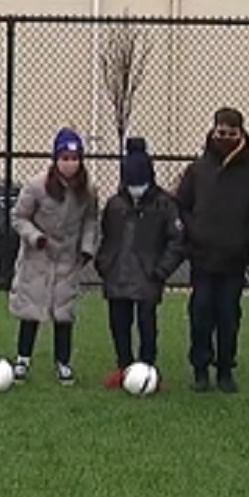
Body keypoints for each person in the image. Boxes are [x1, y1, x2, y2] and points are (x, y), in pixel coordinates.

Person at [175, 107, 249, 393]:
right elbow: (181, 204)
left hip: (234, 259)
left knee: (229, 315)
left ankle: (225, 369)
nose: (225, 137)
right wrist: (194, 231)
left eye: (231, 133)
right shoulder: (197, 170)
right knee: (200, 312)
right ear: (213, 131)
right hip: (202, 258)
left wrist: (247, 238)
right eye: (221, 132)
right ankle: (200, 368)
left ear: (241, 134)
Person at [9, 128, 100, 386]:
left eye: (74, 157)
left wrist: (86, 248)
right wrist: (35, 237)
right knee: (31, 309)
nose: (69, 163)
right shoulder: (36, 186)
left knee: (64, 311)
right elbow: (18, 217)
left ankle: (63, 362)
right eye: (64, 157)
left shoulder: (88, 189)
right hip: (38, 256)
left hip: (68, 258)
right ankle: (23, 359)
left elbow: (91, 220)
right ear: (55, 158)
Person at [96, 137, 185, 389]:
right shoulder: (114, 205)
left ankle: (147, 366)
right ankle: (123, 365)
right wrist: (105, 263)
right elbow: (106, 236)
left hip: (149, 274)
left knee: (147, 322)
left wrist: (161, 270)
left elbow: (177, 241)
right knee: (119, 322)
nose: (136, 187)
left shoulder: (165, 205)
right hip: (117, 273)